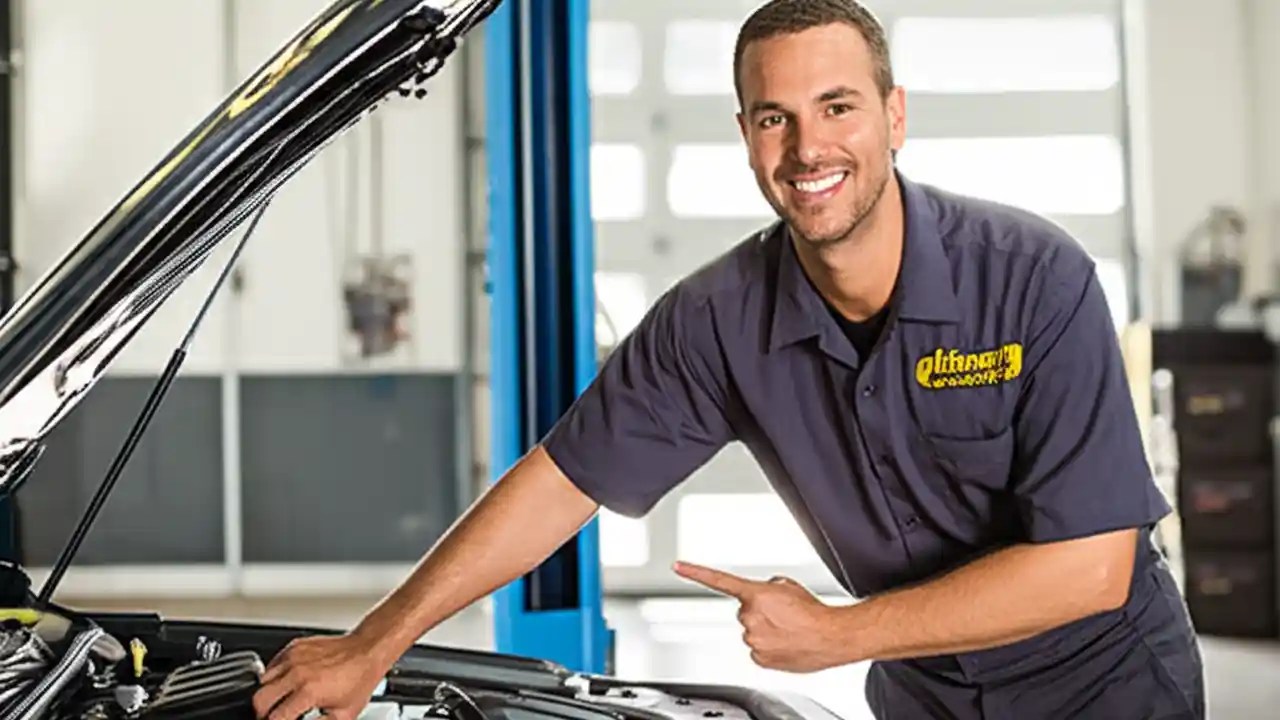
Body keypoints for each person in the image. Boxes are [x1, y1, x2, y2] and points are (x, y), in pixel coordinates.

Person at [253, 0, 1206, 718]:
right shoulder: (717, 319)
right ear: (746, 137)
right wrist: (372, 644)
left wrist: (837, 635)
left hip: (1109, 687)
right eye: (773, 117)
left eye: (837, 106)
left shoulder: (1035, 280)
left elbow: (1090, 569)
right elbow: (562, 480)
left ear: (895, 115)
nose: (807, 147)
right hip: (927, 701)